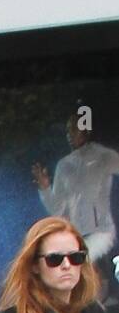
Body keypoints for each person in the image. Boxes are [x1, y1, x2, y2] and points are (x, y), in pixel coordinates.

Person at [33, 113, 119, 264]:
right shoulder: (64, 165)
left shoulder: (103, 156)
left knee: (82, 264)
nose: (69, 134)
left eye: (74, 128)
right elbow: (57, 209)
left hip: (101, 233)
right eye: (68, 130)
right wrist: (45, 188)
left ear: (86, 130)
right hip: (76, 236)